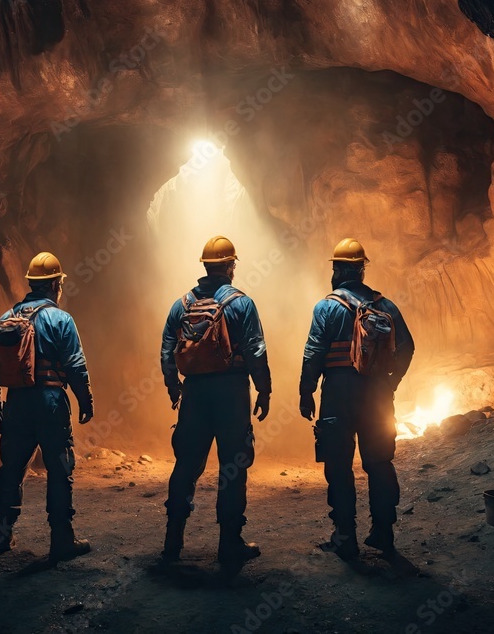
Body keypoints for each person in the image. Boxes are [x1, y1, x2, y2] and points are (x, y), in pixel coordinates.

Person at [298, 238, 414, 559]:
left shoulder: (326, 307)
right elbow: (408, 348)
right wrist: (391, 383)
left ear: (336, 270)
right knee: (379, 463)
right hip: (377, 395)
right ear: (362, 270)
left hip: (338, 394)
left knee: (338, 464)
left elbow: (314, 353)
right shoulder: (385, 305)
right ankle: (383, 533)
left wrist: (306, 391)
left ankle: (345, 537)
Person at [160, 236, 272, 564]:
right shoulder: (241, 303)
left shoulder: (181, 305)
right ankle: (229, 543)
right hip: (231, 392)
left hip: (194, 392)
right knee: (232, 467)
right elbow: (255, 350)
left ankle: (172, 541)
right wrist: (263, 389)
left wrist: (173, 386)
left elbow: (167, 350)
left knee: (186, 465)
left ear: (205, 266)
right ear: (231, 267)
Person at [0, 252, 94, 561]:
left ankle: (3, 537)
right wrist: (86, 399)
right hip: (50, 402)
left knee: (12, 468)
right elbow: (74, 365)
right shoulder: (60, 319)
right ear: (56, 284)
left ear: (32, 284)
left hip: (17, 402)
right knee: (59, 468)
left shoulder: (7, 318)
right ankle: (62, 539)